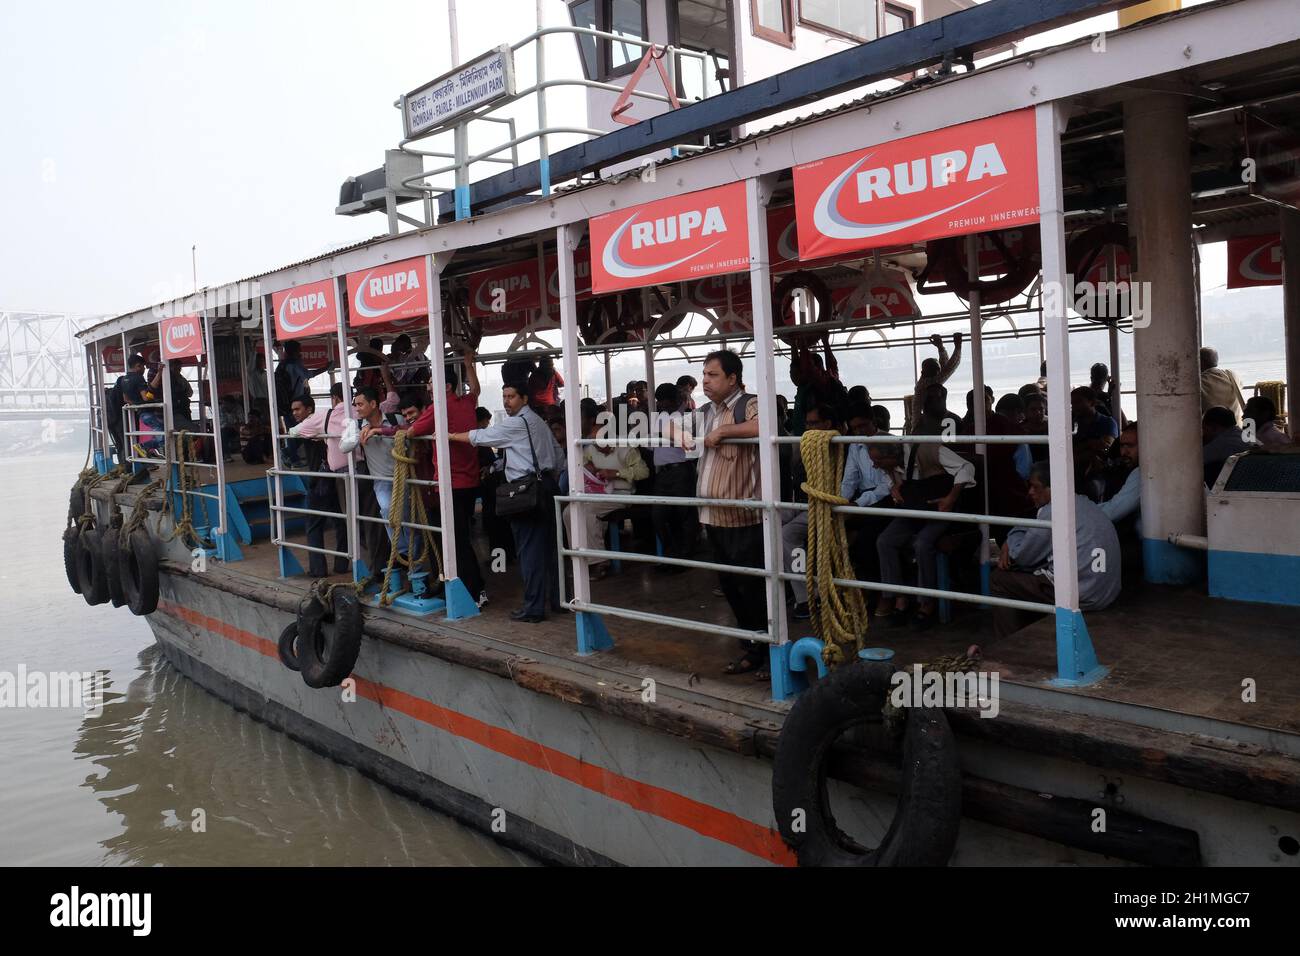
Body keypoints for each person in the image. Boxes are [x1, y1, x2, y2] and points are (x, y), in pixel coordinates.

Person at [450, 379, 564, 623]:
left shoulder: (517, 423)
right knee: (551, 550)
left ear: (523, 399)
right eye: (504, 397)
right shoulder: (540, 423)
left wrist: (450, 436)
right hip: (546, 487)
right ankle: (558, 599)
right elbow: (558, 457)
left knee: (529, 551)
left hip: (527, 491)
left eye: (511, 396)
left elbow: (482, 436)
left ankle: (534, 608)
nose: (506, 401)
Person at [689, 349, 767, 676]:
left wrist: (723, 432)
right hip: (712, 515)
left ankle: (762, 647)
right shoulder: (706, 411)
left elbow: (764, 425)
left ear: (732, 378)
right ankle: (749, 642)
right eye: (704, 375)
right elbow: (682, 434)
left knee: (751, 586)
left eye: (713, 375)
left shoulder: (748, 403)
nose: (705, 380)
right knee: (730, 584)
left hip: (743, 517)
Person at [391, 352, 488, 604]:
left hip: (451, 485)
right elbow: (475, 388)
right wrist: (468, 363)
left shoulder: (439, 407)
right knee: (459, 538)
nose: (427, 385)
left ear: (445, 386)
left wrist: (390, 431)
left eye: (431, 381)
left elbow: (412, 430)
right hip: (469, 483)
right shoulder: (466, 402)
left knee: (455, 541)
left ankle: (474, 592)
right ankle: (458, 585)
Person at [991, 462, 1121, 639]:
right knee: (1037, 572)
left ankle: (1009, 642)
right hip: (1105, 593)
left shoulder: (1055, 511)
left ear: (1052, 488)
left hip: (1083, 595)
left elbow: (1022, 556)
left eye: (1035, 487)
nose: (1030, 492)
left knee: (1000, 579)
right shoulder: (1084, 503)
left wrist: (1010, 538)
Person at [875, 418, 976, 631]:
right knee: (885, 540)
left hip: (939, 509)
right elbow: (896, 481)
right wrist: (895, 488)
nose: (875, 465)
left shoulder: (928, 449)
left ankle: (927, 602)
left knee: (923, 543)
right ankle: (898, 597)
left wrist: (950, 498)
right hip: (915, 510)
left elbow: (966, 468)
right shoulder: (892, 466)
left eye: (878, 460)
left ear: (891, 455)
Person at [564, 414, 649, 581]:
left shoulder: (626, 448)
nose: (596, 446)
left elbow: (643, 472)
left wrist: (617, 473)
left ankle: (598, 562)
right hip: (597, 491)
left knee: (588, 512)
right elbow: (581, 464)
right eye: (594, 441)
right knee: (569, 512)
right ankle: (579, 558)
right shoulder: (591, 448)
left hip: (621, 494)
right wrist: (588, 467)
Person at [781, 403, 840, 620]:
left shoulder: (838, 446)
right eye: (807, 423)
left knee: (787, 535)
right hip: (802, 504)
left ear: (827, 424)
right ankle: (780, 586)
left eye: (814, 423)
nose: (808, 427)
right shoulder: (803, 445)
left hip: (825, 506)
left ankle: (807, 598)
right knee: (768, 520)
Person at [287, 383, 350, 577]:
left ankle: (318, 569)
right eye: (293, 410)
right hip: (334, 476)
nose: (295, 413)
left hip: (320, 478)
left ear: (309, 409)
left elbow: (292, 434)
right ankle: (341, 564)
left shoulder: (312, 423)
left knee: (314, 524)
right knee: (340, 521)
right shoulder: (331, 419)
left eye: (298, 409)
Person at [651, 382, 697, 567]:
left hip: (681, 470)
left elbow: (690, 443)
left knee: (683, 514)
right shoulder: (660, 417)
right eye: (659, 401)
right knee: (659, 516)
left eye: (664, 401)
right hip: (663, 473)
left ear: (673, 400)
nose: (661, 404)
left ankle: (684, 558)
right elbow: (653, 443)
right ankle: (671, 554)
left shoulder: (687, 415)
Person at [906, 333, 962, 434]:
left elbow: (944, 368)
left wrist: (941, 347)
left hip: (925, 419)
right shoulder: (927, 383)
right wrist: (957, 347)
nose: (937, 373)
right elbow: (949, 368)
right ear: (924, 372)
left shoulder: (927, 380)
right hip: (927, 418)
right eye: (934, 370)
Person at [1099, 422, 1141, 535]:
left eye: (1130, 446)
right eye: (1122, 445)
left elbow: (1112, 512)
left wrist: (1081, 512)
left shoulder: (1142, 473)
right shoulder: (1123, 470)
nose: (1124, 452)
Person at [1202, 405, 1256, 488]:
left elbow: (1193, 461)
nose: (1204, 433)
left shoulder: (1222, 443)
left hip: (1238, 487)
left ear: (1213, 427)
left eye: (1204, 429)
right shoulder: (1246, 436)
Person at [1200, 347, 1246, 420]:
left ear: (1200, 361)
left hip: (1214, 429)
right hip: (1237, 427)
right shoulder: (1232, 375)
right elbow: (1241, 385)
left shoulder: (1198, 382)